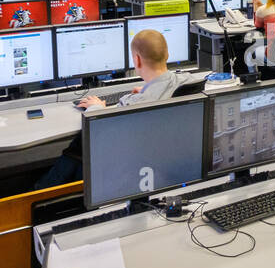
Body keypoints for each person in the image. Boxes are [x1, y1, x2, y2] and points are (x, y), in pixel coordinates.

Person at [35, 30, 187, 188]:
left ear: (137, 60)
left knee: (77, 145)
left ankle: (42, 191)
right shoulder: (187, 82)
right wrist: (149, 89)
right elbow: (166, 88)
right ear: (167, 54)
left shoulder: (133, 104)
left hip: (128, 169)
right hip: (169, 163)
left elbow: (100, 130)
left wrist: (97, 107)